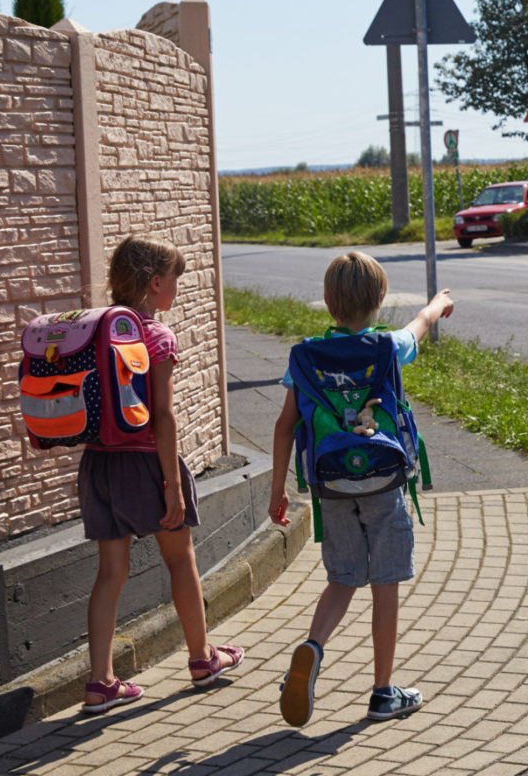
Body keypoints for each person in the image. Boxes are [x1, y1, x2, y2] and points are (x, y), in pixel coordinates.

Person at [268, 251, 453, 725]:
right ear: (379, 299)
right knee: (385, 583)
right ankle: (383, 692)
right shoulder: (387, 346)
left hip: (332, 485)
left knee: (343, 577)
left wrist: (277, 489)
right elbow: (419, 326)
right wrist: (437, 305)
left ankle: (312, 648)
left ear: (329, 303)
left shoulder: (305, 357)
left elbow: (285, 425)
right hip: (383, 481)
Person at [81, 235, 244, 714]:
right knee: (180, 558)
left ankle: (100, 682)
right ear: (155, 283)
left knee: (110, 572)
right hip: (146, 462)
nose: (177, 287)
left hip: (98, 464)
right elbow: (164, 417)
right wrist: (172, 484)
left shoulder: (94, 329)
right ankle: (202, 658)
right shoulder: (155, 336)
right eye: (174, 279)